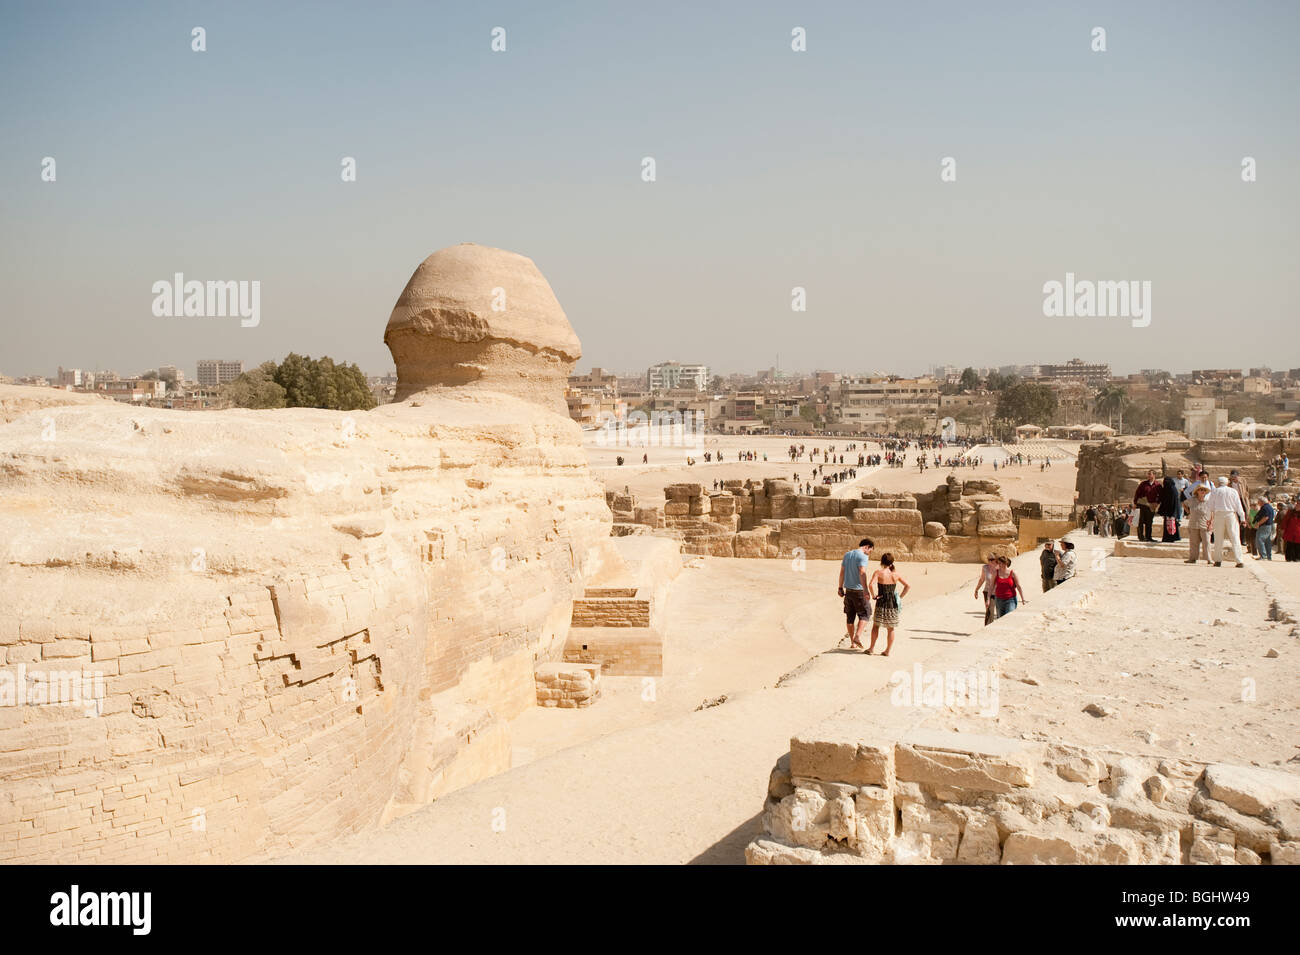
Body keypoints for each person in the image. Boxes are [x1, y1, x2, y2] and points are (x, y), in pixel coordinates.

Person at [865, 553, 910, 656]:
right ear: (892, 562)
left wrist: (874, 595)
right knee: (891, 628)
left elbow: (870, 585)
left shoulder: (878, 572)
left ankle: (871, 648)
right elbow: (908, 586)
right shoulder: (896, 574)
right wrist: (899, 597)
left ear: (882, 562)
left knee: (876, 626)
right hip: (892, 604)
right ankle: (887, 651)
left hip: (881, 602)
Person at [837, 538, 874, 648]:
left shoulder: (847, 555)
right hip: (858, 591)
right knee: (866, 614)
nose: (869, 554)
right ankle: (857, 636)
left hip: (848, 591)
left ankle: (853, 643)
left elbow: (842, 572)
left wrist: (840, 587)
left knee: (850, 617)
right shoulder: (863, 556)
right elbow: (862, 572)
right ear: (867, 547)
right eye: (870, 551)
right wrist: (866, 590)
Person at [1207, 476, 1246, 567]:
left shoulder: (1215, 491)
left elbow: (1209, 507)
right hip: (1231, 515)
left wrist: (1209, 519)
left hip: (1219, 515)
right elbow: (1238, 506)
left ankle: (1217, 560)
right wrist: (1242, 518)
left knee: (1218, 539)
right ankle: (1239, 561)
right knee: (1235, 537)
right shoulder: (1233, 491)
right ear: (1227, 483)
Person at [1184, 483, 1213, 564]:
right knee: (1194, 542)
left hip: (1204, 524)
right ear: (1197, 491)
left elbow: (1212, 512)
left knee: (1206, 542)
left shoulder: (1208, 501)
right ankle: (1193, 558)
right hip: (1194, 523)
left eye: (1204, 490)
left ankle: (1209, 559)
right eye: (1201, 490)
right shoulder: (1192, 500)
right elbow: (1184, 503)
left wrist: (1211, 522)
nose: (1202, 491)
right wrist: (1188, 512)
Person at [1133, 470, 1161, 542]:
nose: (1148, 475)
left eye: (1150, 474)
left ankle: (1148, 537)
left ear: (1154, 475)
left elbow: (1161, 495)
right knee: (1140, 521)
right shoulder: (1143, 484)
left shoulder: (1158, 485)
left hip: (1151, 506)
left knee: (1149, 522)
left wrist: (1157, 503)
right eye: (1148, 474)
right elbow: (1137, 493)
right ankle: (1141, 537)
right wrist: (1135, 503)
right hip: (1142, 505)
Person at [974, 554, 1000, 625]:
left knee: (999, 611)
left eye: (992, 559)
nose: (990, 561)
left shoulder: (1000, 567)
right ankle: (988, 627)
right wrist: (976, 589)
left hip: (999, 593)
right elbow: (982, 579)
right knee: (990, 610)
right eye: (988, 559)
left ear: (996, 559)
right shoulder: (985, 568)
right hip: (987, 592)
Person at [1252, 495, 1276, 561]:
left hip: (1264, 526)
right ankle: (1268, 556)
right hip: (1268, 526)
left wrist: (1258, 523)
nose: (1258, 503)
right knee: (1267, 542)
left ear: (1262, 501)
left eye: (1258, 502)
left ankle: (1263, 556)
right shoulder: (1269, 507)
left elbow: (1266, 517)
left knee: (1260, 540)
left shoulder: (1265, 508)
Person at [1159, 474, 1180, 542]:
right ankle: (1171, 537)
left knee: (1170, 524)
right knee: (1170, 524)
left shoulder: (1172, 490)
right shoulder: (1169, 489)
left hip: (1171, 511)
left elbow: (1173, 502)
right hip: (1169, 511)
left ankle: (1170, 538)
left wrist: (1173, 513)